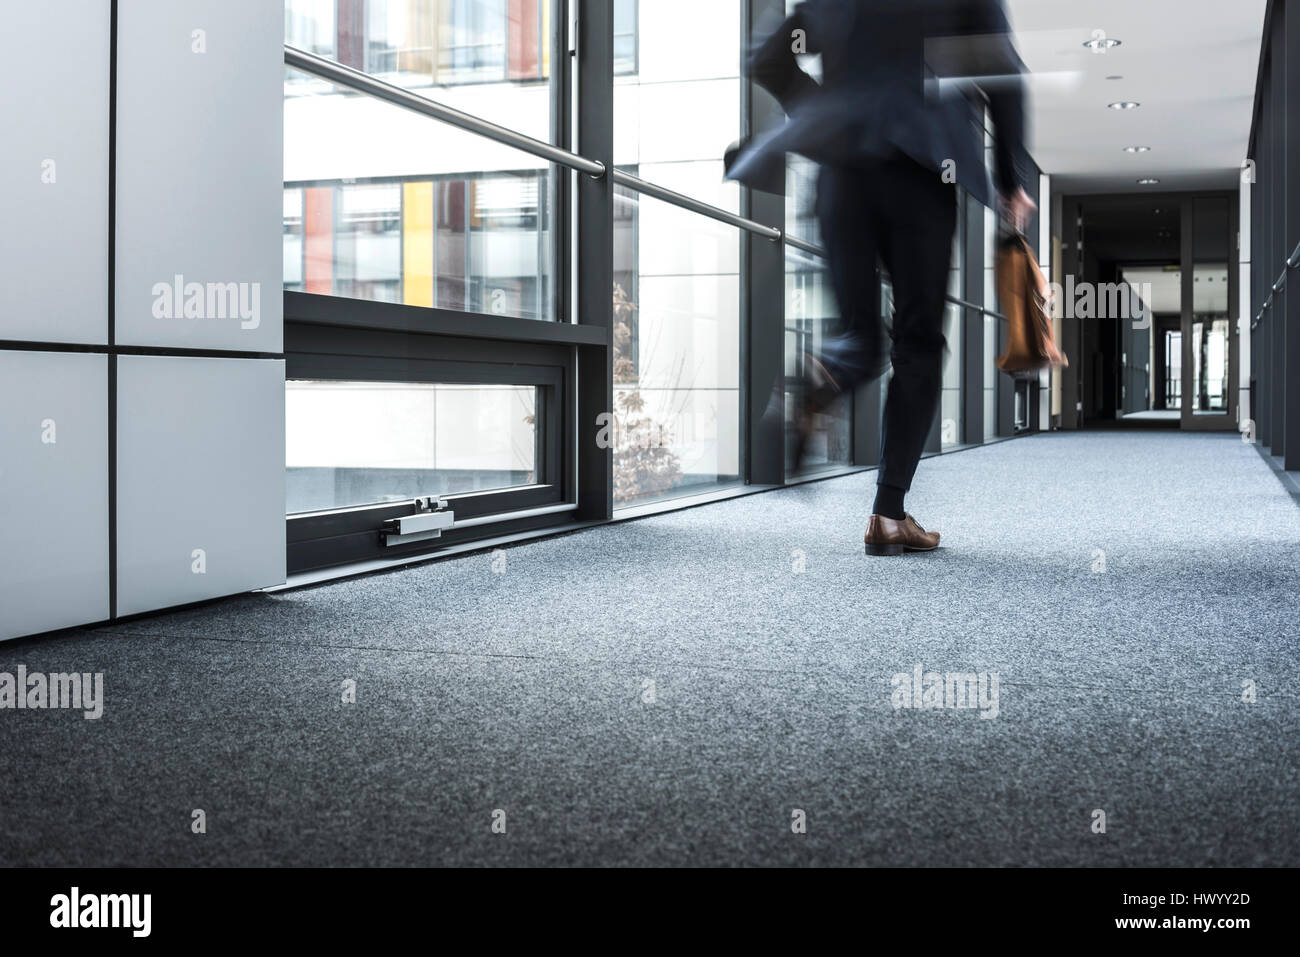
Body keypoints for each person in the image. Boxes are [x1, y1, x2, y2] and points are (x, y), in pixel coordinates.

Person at [727, 0, 1035, 556]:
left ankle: (819, 384)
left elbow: (767, 59)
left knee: (858, 339)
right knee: (916, 340)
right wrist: (1009, 178)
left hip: (841, 171)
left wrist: (830, 112)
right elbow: (1004, 76)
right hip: (920, 168)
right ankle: (888, 513)